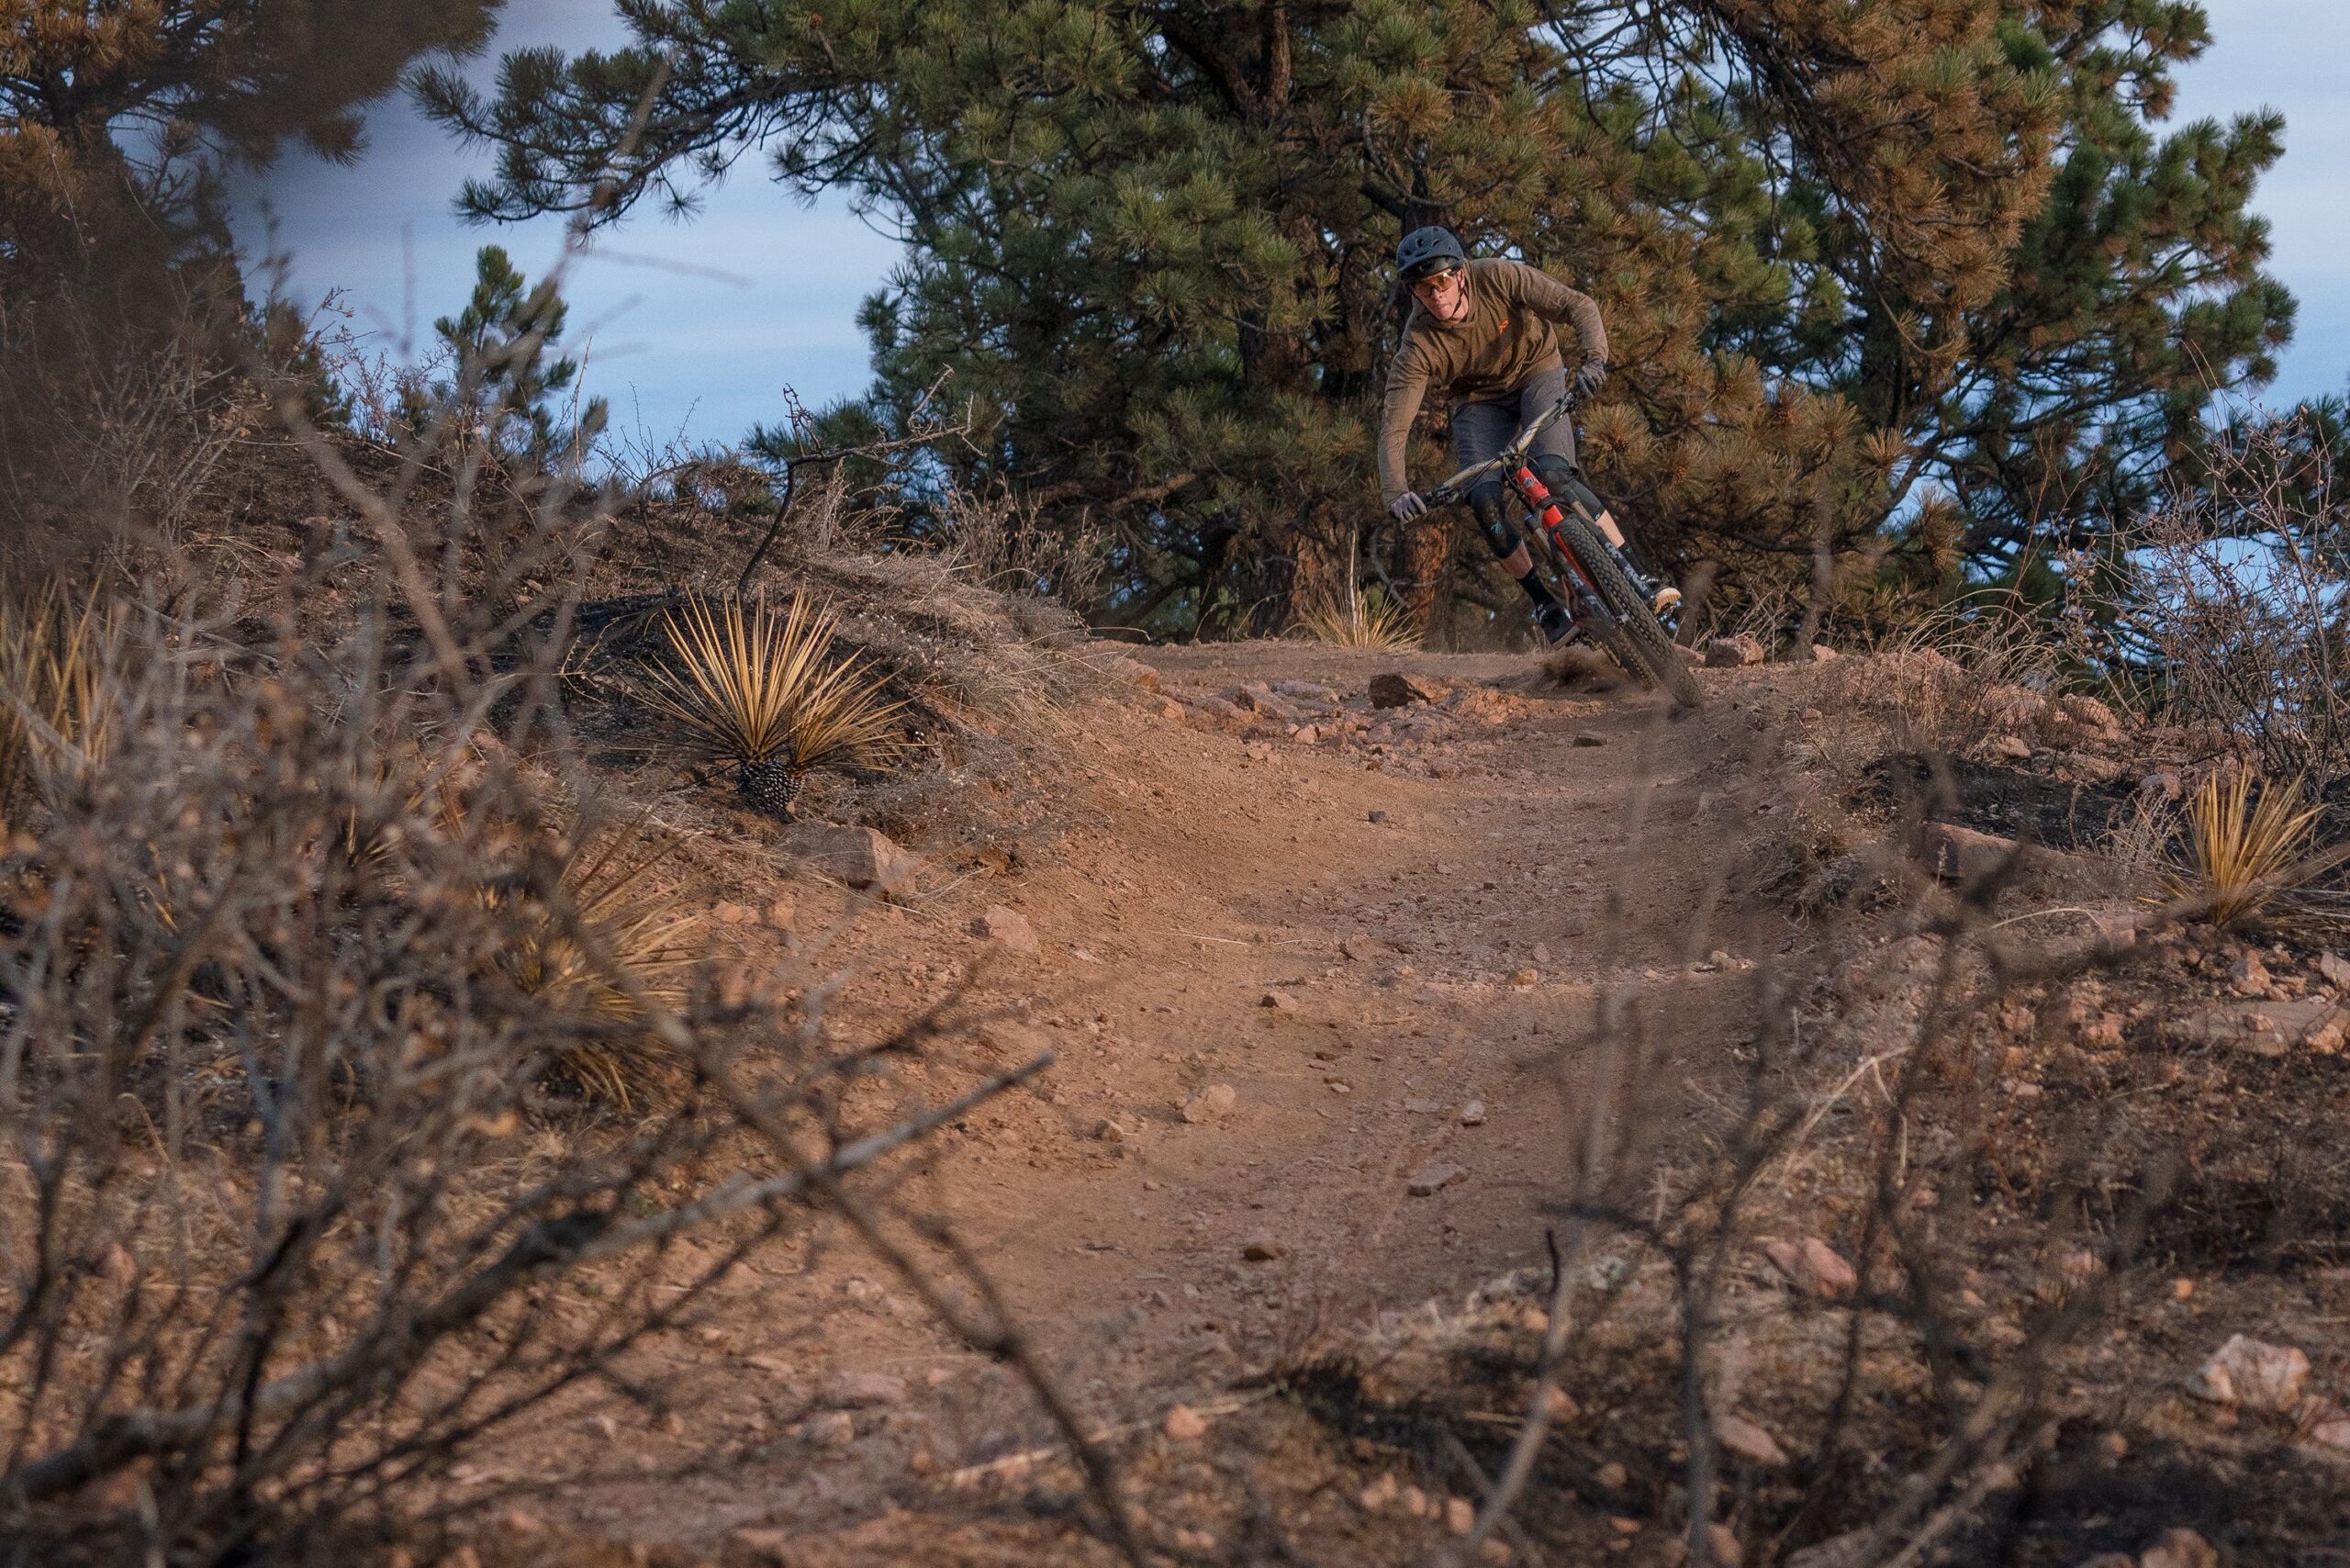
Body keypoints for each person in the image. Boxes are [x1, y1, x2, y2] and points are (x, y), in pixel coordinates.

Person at [1377, 226, 1676, 645]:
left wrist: (1594, 361)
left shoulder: (1498, 276)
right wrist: (1396, 491)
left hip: (1536, 370)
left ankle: (1636, 570)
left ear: (1460, 274)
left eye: (1441, 281)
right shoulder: (1418, 345)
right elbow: (1395, 425)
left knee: (1554, 475)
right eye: (1422, 288)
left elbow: (1578, 305)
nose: (1435, 295)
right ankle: (1545, 604)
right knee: (1484, 503)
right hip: (1476, 402)